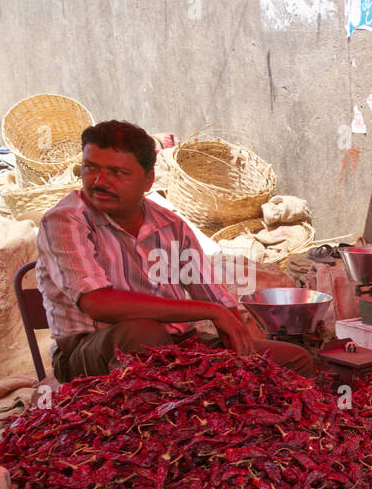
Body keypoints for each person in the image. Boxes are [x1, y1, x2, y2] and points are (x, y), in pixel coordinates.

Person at [37, 120, 314, 382]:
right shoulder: (66, 220)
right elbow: (98, 303)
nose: (99, 181)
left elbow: (215, 297)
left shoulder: (171, 225)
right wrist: (210, 311)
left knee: (294, 361)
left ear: (148, 180)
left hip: (176, 346)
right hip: (90, 352)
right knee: (144, 334)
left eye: (118, 172)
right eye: (90, 168)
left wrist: (233, 332)